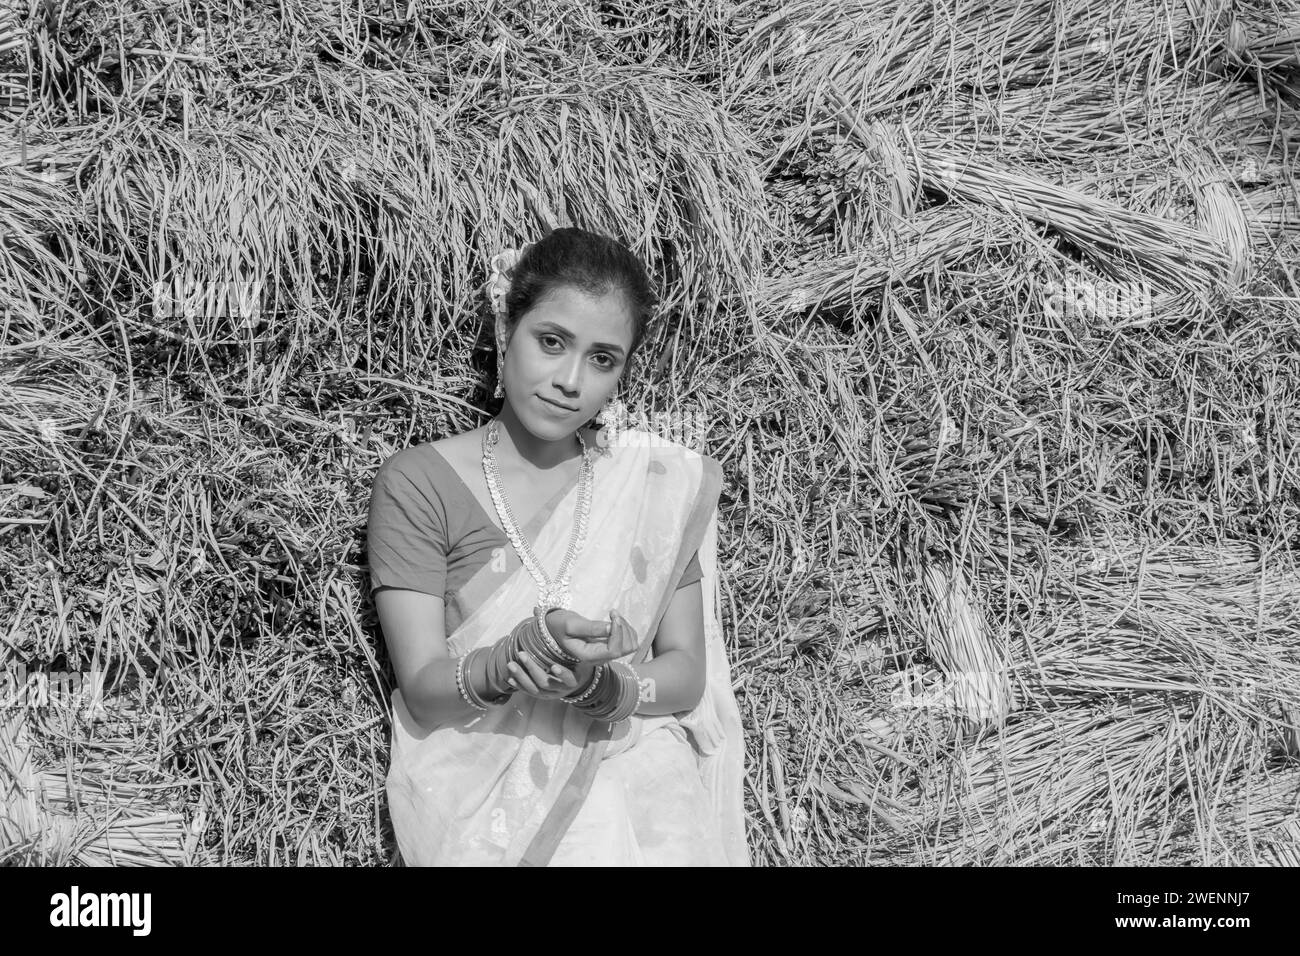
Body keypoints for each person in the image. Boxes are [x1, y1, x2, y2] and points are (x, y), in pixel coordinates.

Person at [366, 227, 749, 866]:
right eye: (551, 342)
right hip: (486, 808)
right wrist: (511, 661)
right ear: (504, 330)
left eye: (603, 359)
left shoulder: (650, 485)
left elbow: (685, 674)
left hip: (642, 800)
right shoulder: (418, 482)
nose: (570, 380)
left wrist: (601, 689)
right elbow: (425, 685)